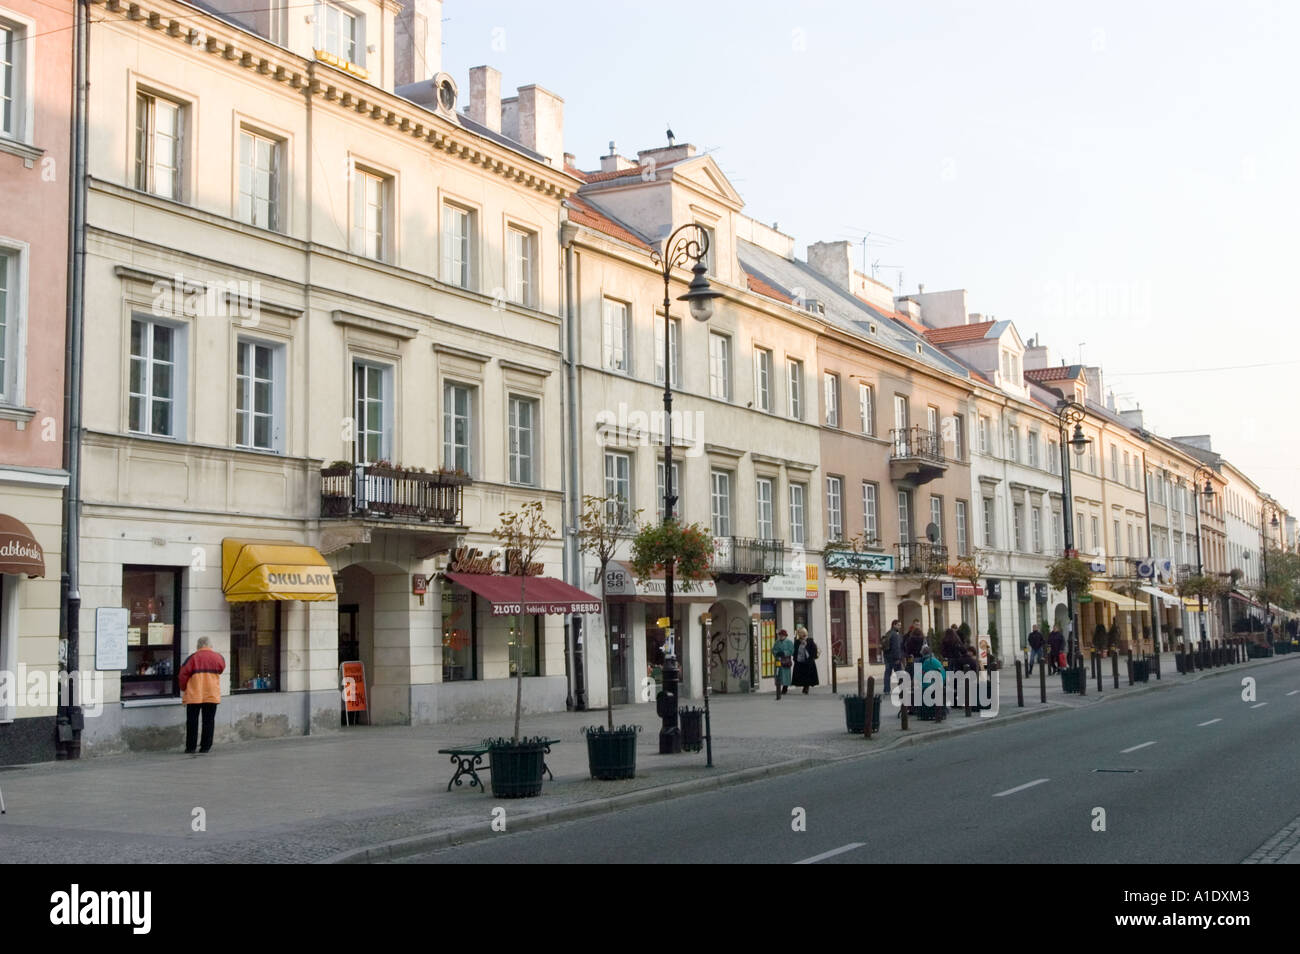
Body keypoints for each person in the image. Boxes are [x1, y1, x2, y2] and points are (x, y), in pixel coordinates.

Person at [179, 636, 225, 754]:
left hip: (195, 694)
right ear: (210, 645)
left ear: (198, 646)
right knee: (209, 721)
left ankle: (191, 747)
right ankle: (205, 747)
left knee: (192, 721)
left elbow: (182, 675)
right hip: (211, 694)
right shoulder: (218, 657)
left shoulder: (192, 658)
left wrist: (184, 688)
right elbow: (221, 668)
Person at [791, 625, 820, 694]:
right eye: (800, 633)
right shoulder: (797, 642)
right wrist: (795, 659)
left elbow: (813, 650)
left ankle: (806, 687)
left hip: (808, 661)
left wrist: (810, 656)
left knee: (808, 675)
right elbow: (794, 651)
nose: (801, 635)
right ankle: (804, 686)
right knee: (802, 675)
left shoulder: (810, 641)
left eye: (802, 633)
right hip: (800, 661)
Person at [772, 628, 795, 700]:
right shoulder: (777, 642)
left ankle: (785, 687)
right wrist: (776, 653)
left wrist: (785, 653)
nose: (781, 636)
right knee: (778, 674)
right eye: (780, 635)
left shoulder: (789, 642)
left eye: (782, 635)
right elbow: (773, 650)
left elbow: (792, 651)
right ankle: (778, 687)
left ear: (785, 636)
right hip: (778, 660)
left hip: (785, 661)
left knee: (786, 674)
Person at [883, 619, 903, 694]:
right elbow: (896, 647)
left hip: (887, 656)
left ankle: (886, 689)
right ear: (894, 625)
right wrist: (897, 658)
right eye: (898, 625)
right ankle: (902, 689)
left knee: (887, 673)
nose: (900, 627)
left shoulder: (888, 633)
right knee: (900, 673)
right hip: (894, 657)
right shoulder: (895, 635)